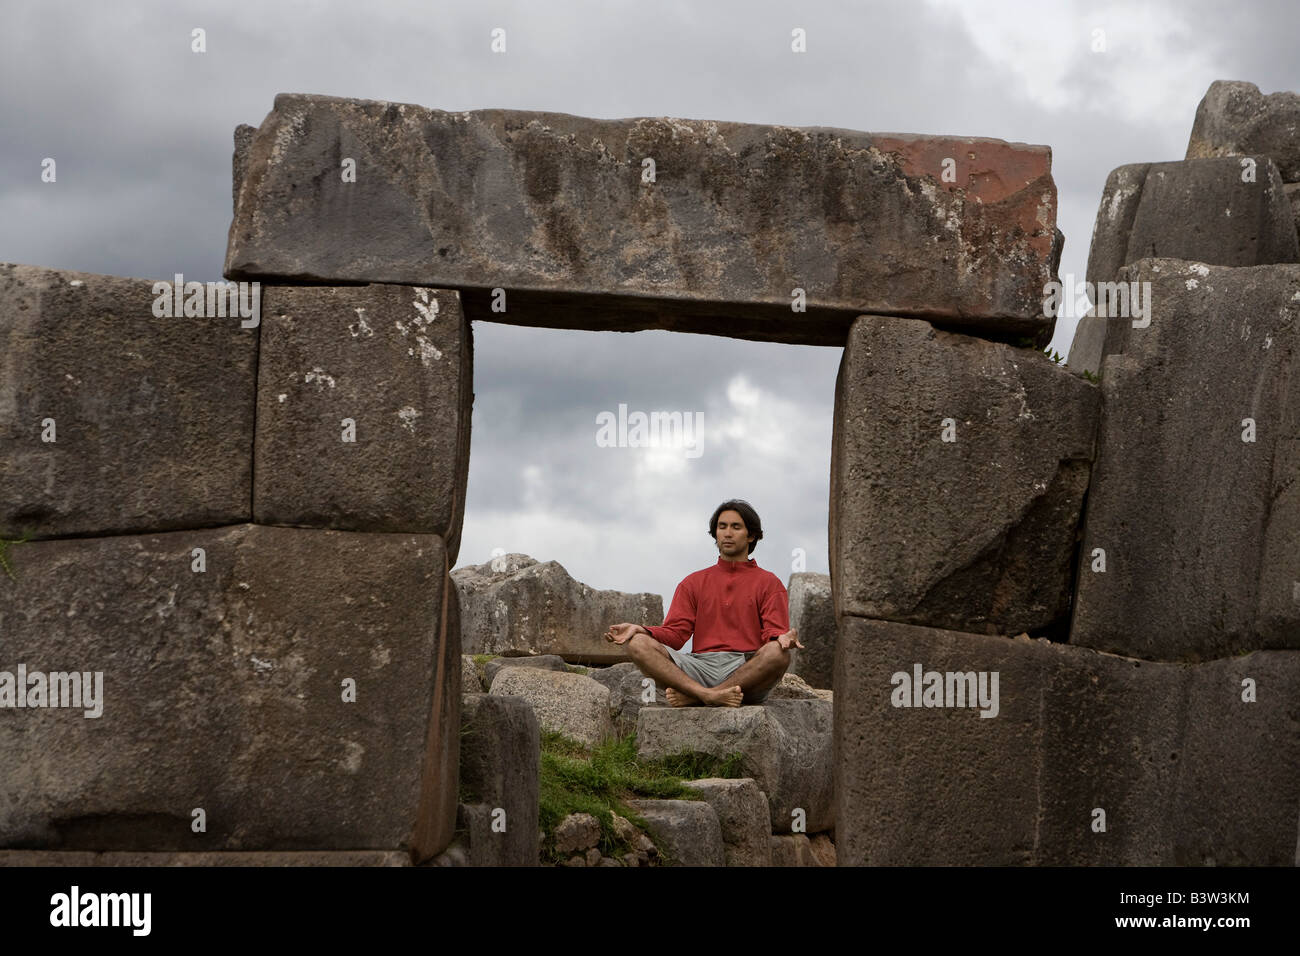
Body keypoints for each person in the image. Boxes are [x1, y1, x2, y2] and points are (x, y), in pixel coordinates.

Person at [604, 499, 804, 707]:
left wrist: (782, 637)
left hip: (745, 672)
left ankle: (700, 696)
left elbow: (773, 633)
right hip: (699, 667)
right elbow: (675, 634)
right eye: (722, 526)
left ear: (751, 535)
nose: (727, 533)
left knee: (778, 653)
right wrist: (641, 629)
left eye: (736, 527)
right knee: (637, 643)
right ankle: (706, 693)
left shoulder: (770, 583)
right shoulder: (693, 582)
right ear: (715, 533)